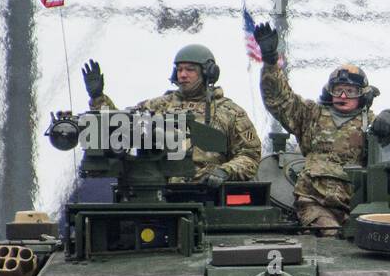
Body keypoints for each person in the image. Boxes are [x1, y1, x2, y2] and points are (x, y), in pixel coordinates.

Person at [252, 21, 390, 235]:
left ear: (363, 94)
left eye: (350, 91)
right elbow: (279, 100)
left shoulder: (372, 123)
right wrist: (270, 60)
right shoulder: (311, 114)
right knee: (329, 237)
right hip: (314, 201)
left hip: (357, 205)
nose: (342, 96)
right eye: (338, 90)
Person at [81, 45, 261, 189]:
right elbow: (119, 126)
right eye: (179, 69)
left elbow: (250, 155)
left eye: (190, 70)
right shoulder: (158, 106)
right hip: (156, 191)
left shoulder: (229, 112)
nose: (183, 75)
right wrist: (98, 97)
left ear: (207, 72)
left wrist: (225, 171)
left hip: (205, 194)